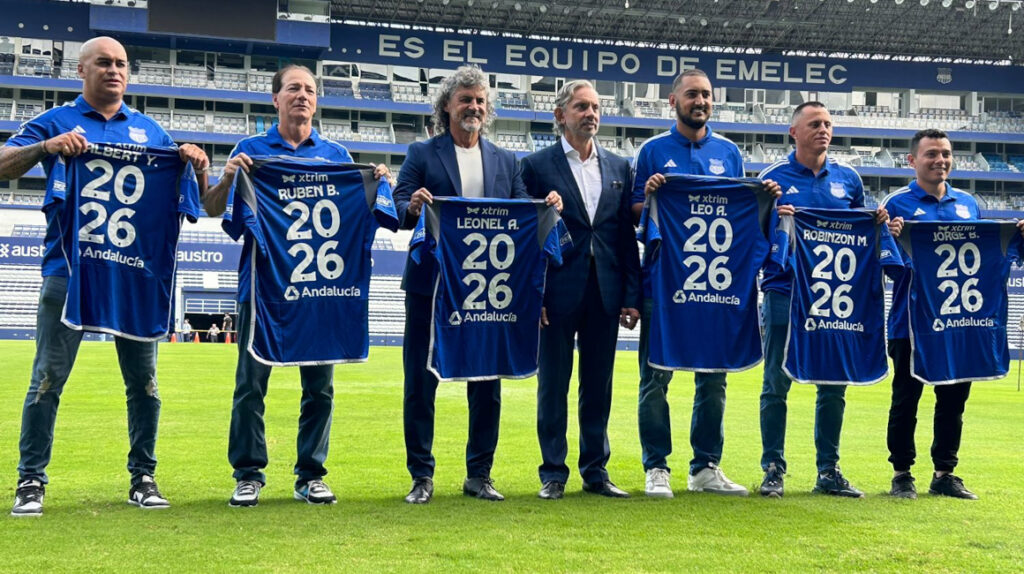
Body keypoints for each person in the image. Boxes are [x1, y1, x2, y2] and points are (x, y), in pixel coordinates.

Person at [1, 36, 209, 516]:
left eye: (121, 64)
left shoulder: (151, 132)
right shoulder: (55, 121)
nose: (114, 70)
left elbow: (196, 198)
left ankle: (143, 477)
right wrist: (47, 147)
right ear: (81, 70)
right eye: (103, 62)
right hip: (69, 270)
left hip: (133, 273)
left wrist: (196, 165)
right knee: (47, 378)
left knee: (145, 383)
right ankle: (30, 480)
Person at [203, 64, 390, 508]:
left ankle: (311, 474)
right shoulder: (249, 151)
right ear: (276, 99)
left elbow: (364, 213)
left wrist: (379, 182)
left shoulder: (337, 156)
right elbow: (212, 208)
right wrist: (227, 177)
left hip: (320, 289)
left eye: (309, 89)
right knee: (250, 384)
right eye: (293, 88)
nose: (302, 95)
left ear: (317, 101)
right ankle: (248, 473)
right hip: (263, 288)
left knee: (320, 388)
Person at [393, 65, 561, 504]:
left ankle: (479, 475)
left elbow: (524, 213)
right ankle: (421, 476)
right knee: (420, 382)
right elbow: (398, 205)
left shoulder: (506, 160)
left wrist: (547, 206)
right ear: (447, 106)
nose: (474, 107)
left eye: (480, 101)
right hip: (431, 288)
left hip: (489, 288)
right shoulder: (422, 153)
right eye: (465, 99)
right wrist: (413, 205)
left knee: (488, 380)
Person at [632, 69, 778, 498]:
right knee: (655, 376)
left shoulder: (729, 153)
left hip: (718, 285)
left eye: (707, 95)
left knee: (713, 378)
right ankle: (656, 466)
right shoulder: (652, 151)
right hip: (664, 283)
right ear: (673, 101)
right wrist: (652, 196)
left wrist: (765, 196)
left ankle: (705, 467)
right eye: (692, 94)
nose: (701, 101)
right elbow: (634, 212)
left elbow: (743, 212)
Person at [880, 129, 1024, 500]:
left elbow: (988, 251)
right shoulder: (896, 204)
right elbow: (885, 262)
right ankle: (901, 474)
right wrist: (892, 237)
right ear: (912, 160)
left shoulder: (968, 204)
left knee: (953, 400)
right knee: (905, 399)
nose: (940, 160)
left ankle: (944, 473)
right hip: (910, 323)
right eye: (931, 154)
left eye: (945, 153)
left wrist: (1017, 235)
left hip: (958, 321)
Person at [757, 101, 888, 498]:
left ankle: (828, 470)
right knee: (776, 382)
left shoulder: (849, 180)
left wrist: (879, 222)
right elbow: (753, 236)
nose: (824, 130)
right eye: (814, 124)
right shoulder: (771, 179)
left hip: (834, 295)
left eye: (828, 124)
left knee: (834, 383)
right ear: (793, 132)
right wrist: (776, 218)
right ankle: (773, 468)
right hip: (784, 290)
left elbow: (860, 233)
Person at [521, 80, 640, 500]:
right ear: (560, 115)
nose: (590, 114)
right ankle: (553, 473)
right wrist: (533, 295)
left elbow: (624, 236)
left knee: (598, 385)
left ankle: (596, 470)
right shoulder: (535, 166)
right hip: (555, 292)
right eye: (581, 107)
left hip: (605, 291)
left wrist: (631, 295)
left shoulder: (619, 167)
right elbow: (527, 236)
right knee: (553, 385)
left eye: (595, 107)